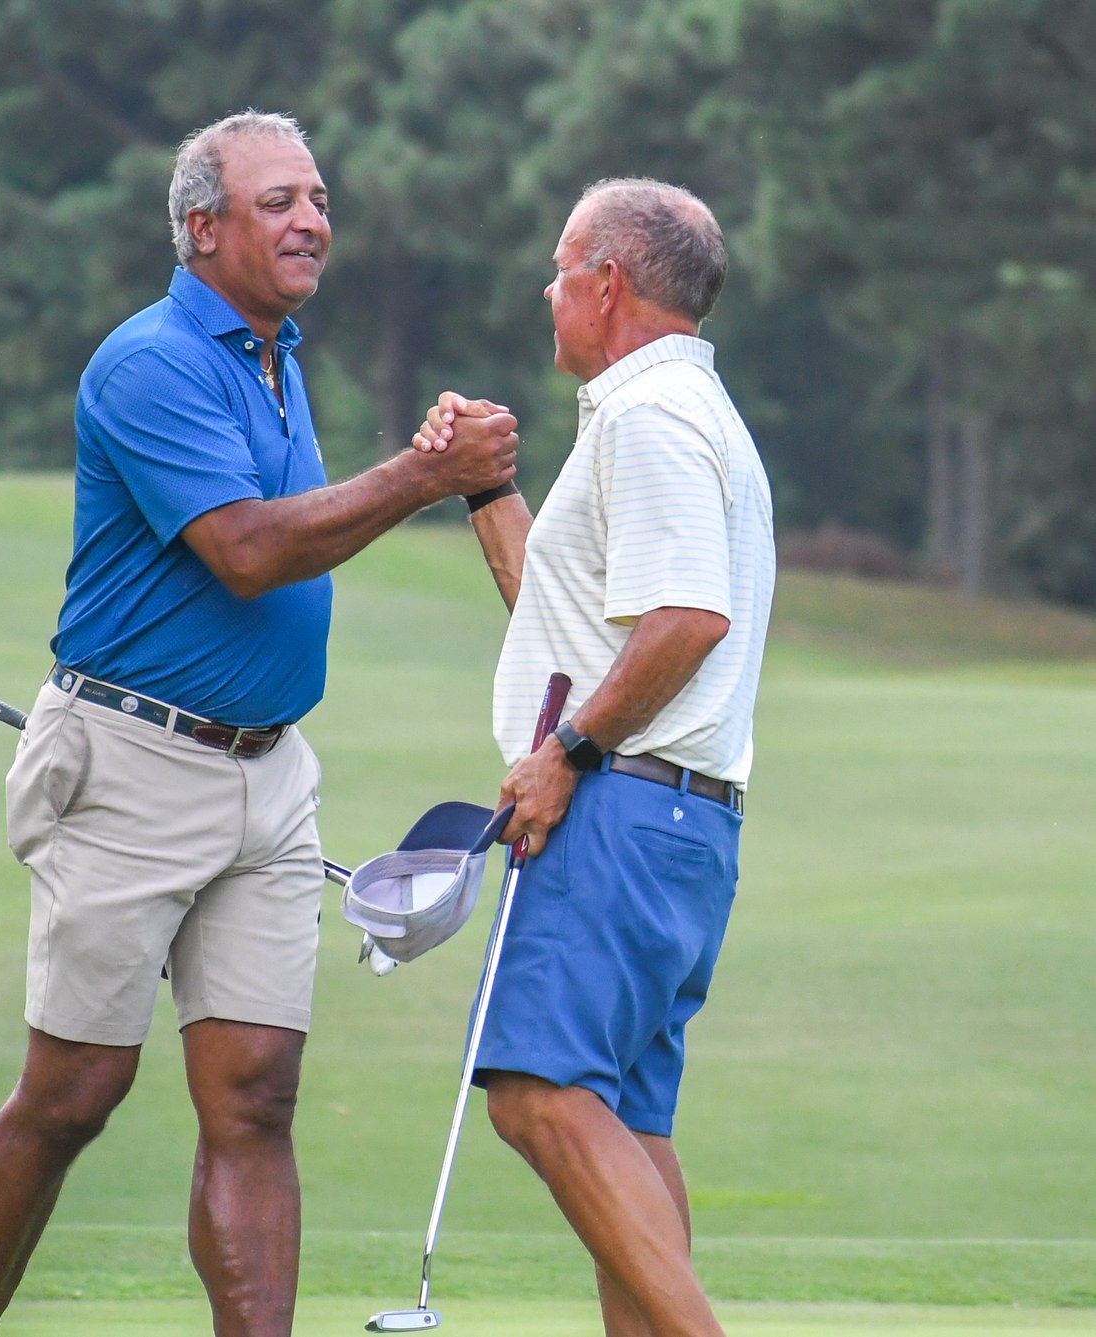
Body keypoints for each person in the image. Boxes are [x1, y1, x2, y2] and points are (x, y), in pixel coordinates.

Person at [0, 111, 517, 1337]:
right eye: (277, 203)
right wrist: (427, 475)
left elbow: (303, 529)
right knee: (75, 1089)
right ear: (202, 229)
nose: (313, 220)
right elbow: (246, 551)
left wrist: (414, 472)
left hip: (269, 773)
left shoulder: (273, 354)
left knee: (254, 1096)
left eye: (317, 198)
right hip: (131, 761)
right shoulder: (150, 361)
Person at [415, 177, 775, 1336]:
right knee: (624, 1123)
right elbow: (571, 625)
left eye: (562, 265)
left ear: (607, 282)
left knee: (537, 1094)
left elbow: (686, 617)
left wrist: (567, 749)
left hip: (622, 809)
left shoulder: (651, 415)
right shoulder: (670, 410)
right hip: (673, 825)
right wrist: (488, 491)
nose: (547, 288)